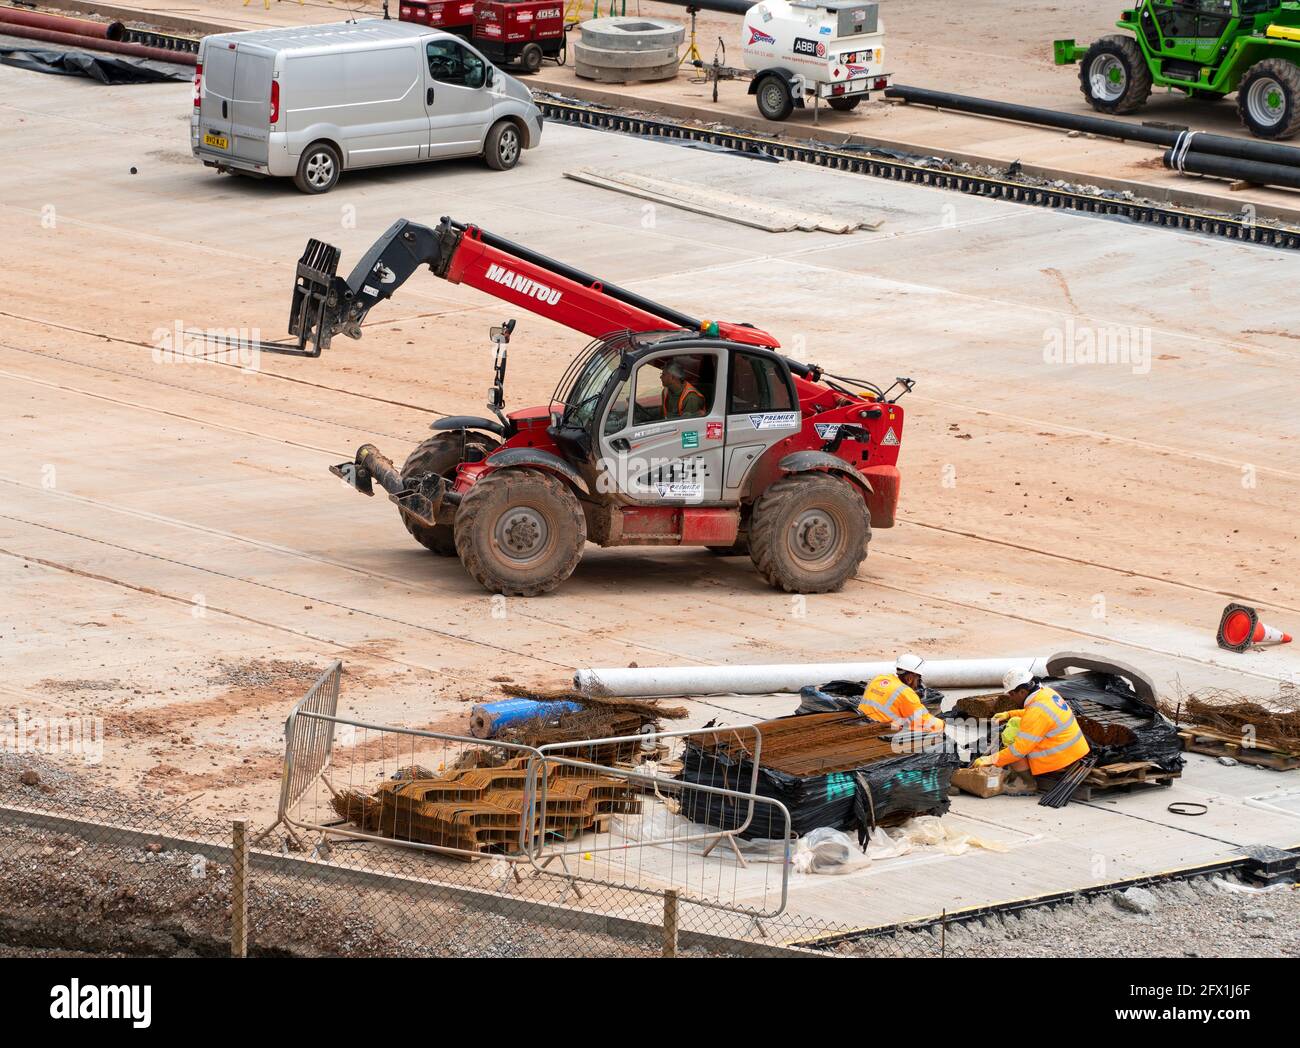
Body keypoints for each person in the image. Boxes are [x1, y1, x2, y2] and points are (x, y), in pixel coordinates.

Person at [973, 668, 1090, 775]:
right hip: (1074, 751)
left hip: (1059, 760)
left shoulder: (1036, 712)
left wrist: (991, 759)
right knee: (1015, 721)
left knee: (1012, 738)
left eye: (1011, 694)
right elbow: (1034, 713)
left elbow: (1018, 750)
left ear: (1022, 692)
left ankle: (1026, 782)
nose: (1011, 698)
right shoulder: (1046, 692)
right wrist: (1009, 714)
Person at [858, 653, 946, 734]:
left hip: (861, 722)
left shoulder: (878, 679)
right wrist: (943, 724)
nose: (918, 683)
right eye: (918, 678)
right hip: (882, 731)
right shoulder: (905, 693)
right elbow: (924, 722)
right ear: (910, 678)